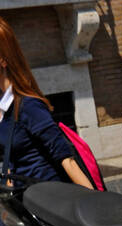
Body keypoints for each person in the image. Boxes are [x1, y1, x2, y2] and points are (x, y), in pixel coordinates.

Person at [0, 17, 93, 189]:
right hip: (26, 202)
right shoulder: (3, 108)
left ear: (3, 60)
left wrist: (97, 206)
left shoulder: (28, 105)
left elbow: (67, 159)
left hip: (51, 201)